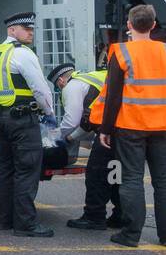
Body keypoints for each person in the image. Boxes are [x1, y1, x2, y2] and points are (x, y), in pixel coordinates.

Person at [95, 5, 166, 248]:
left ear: (129, 25)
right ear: (153, 25)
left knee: (131, 179)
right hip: (162, 127)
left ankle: (131, 234)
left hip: (130, 125)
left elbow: (113, 95)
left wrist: (105, 129)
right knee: (164, 181)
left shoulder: (120, 52)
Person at [0, 11, 55, 238]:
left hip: (2, 118)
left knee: (6, 169)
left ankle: (4, 220)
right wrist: (49, 113)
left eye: (32, 29)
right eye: (26, 29)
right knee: (27, 170)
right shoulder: (22, 54)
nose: (31, 33)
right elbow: (40, 88)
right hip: (22, 119)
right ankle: (26, 224)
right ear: (12, 30)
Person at [49, 62, 122, 231]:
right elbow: (89, 121)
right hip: (123, 132)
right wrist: (72, 137)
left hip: (107, 136)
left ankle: (94, 217)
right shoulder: (93, 79)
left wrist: (57, 137)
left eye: (58, 86)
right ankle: (121, 215)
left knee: (96, 174)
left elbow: (72, 120)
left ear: (60, 81)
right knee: (116, 173)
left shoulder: (71, 86)